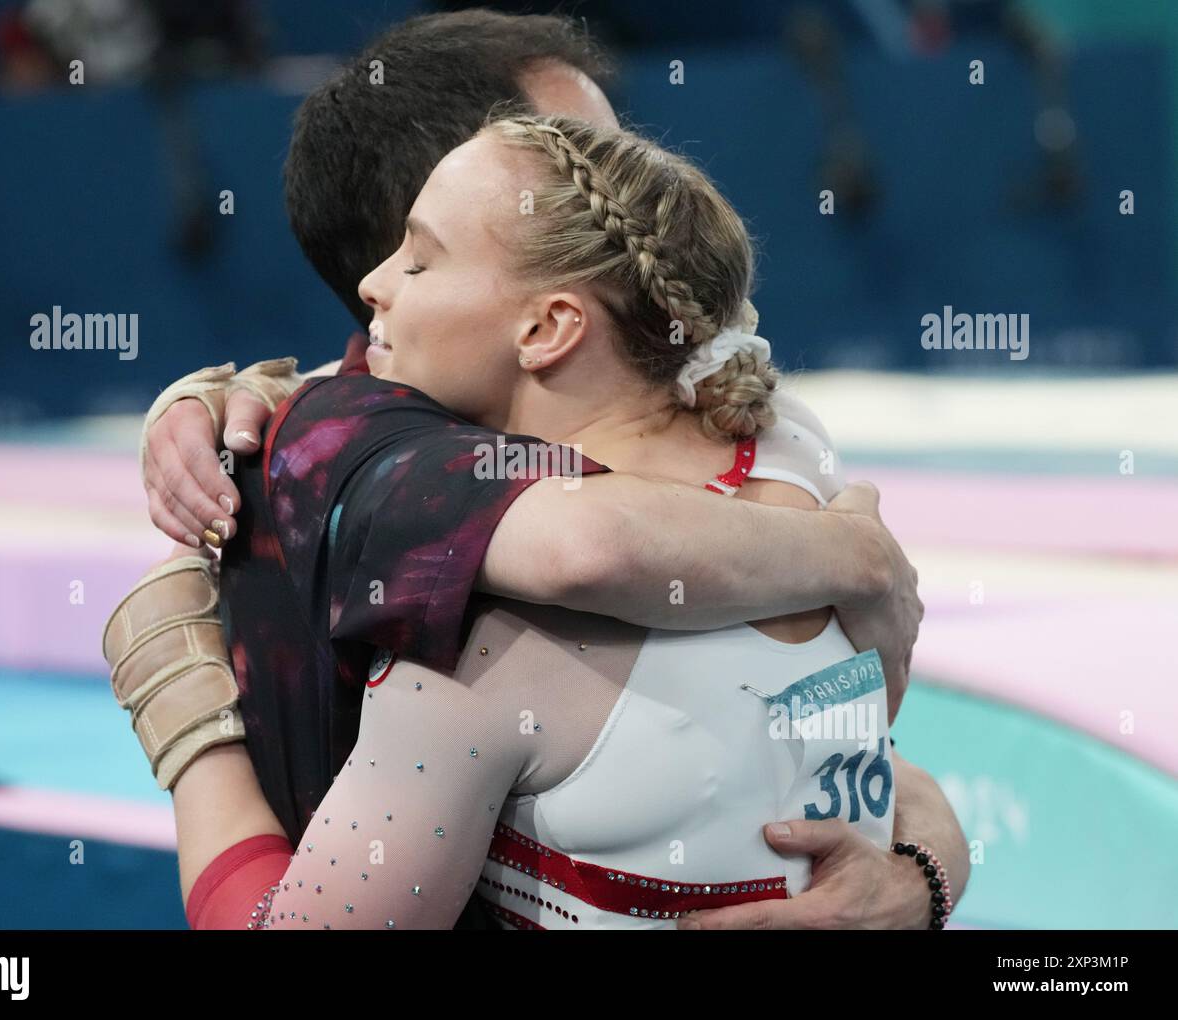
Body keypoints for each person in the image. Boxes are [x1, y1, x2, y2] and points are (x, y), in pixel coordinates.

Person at [117, 10, 959, 929]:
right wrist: (863, 563)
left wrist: (189, 724)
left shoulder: (480, 644)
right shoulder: (788, 452)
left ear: (550, 322)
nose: (625, 185)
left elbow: (587, 546)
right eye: (588, 150)